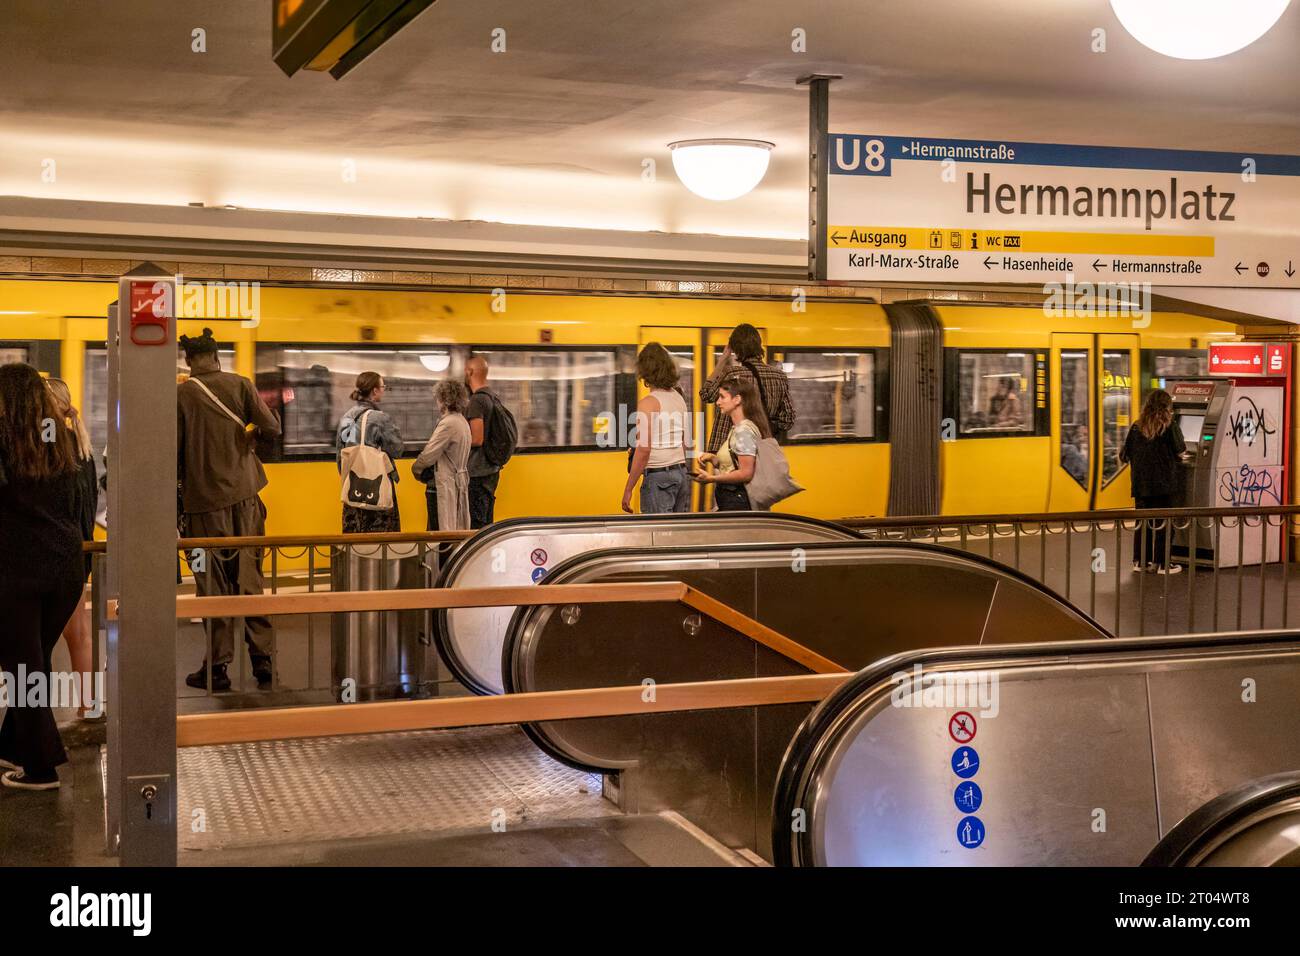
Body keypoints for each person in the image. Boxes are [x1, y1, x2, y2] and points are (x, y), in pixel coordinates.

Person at [177, 328, 282, 692]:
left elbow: (173, 456)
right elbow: (271, 427)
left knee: (213, 587)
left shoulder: (181, 395)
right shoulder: (241, 384)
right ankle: (263, 662)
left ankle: (217, 668)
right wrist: (247, 439)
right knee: (250, 580)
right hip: (247, 501)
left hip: (203, 508)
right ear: (217, 355)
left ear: (189, 360)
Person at [0, 363, 88, 789]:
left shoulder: (4, 441)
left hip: (17, 572)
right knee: (31, 664)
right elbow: (80, 502)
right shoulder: (61, 441)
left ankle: (41, 768)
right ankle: (12, 744)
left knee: (23, 670)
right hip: (65, 569)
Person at [46, 378, 98, 719]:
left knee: (37, 640)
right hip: (80, 551)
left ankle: (36, 716)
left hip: (50, 553)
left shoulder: (50, 448)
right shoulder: (84, 449)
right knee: (78, 634)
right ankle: (87, 707)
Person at [700, 323, 794, 458]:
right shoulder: (779, 376)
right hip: (762, 452)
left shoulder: (732, 374)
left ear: (735, 348)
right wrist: (763, 427)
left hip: (732, 451)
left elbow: (706, 394)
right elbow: (788, 419)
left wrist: (722, 361)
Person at [1120, 388, 1186, 575]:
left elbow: (1124, 455)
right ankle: (1163, 564)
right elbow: (1180, 449)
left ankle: (1141, 561)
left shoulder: (1136, 426)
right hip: (1164, 484)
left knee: (1143, 523)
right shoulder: (1169, 426)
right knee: (1164, 523)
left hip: (1141, 484)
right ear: (1167, 407)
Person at [622, 343, 691, 514]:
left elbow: (644, 449)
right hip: (680, 474)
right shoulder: (678, 398)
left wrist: (629, 488)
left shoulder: (648, 403)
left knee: (658, 535)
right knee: (674, 537)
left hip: (659, 479)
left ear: (644, 371)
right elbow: (685, 443)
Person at [336, 371, 404, 533]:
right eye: (383, 387)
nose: (383, 390)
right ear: (375, 391)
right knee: (380, 539)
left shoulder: (346, 417)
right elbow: (397, 450)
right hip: (376, 487)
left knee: (355, 537)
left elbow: (341, 455)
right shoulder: (380, 418)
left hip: (353, 488)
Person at [693, 374, 771, 511]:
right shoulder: (737, 428)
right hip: (734, 498)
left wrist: (711, 478)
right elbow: (734, 463)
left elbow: (746, 473)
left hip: (737, 499)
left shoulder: (743, 431)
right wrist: (713, 458)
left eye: (722, 397)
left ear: (737, 400)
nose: (717, 402)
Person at [414, 380, 472, 531]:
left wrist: (416, 470)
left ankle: (441, 556)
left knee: (439, 530)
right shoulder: (462, 421)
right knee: (455, 526)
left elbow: (428, 455)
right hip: (458, 481)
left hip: (443, 483)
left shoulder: (448, 423)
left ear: (443, 400)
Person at [464, 354, 503, 528]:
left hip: (478, 473)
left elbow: (477, 438)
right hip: (490, 470)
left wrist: (455, 443)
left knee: (477, 524)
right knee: (485, 520)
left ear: (469, 371)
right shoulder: (492, 397)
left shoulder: (477, 401)